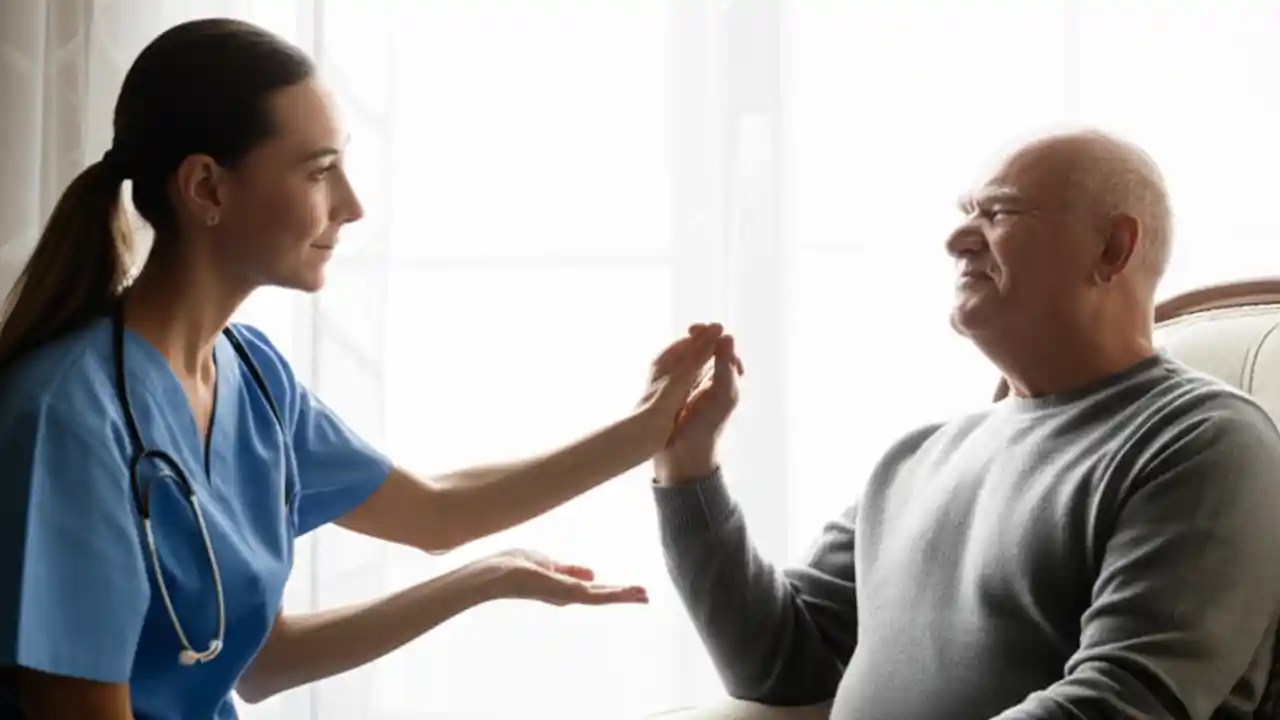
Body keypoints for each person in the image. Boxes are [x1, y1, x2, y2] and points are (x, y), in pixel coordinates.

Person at [0, 18, 740, 720]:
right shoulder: (70, 416)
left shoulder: (254, 379)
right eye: (320, 171)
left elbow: (426, 522)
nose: (351, 206)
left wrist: (641, 436)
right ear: (206, 188)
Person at [652, 130, 1280, 719]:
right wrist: (689, 474)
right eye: (966, 211)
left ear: (1112, 248)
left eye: (999, 213)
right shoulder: (916, 459)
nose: (958, 239)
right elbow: (780, 662)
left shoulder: (1205, 443)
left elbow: (1118, 702)